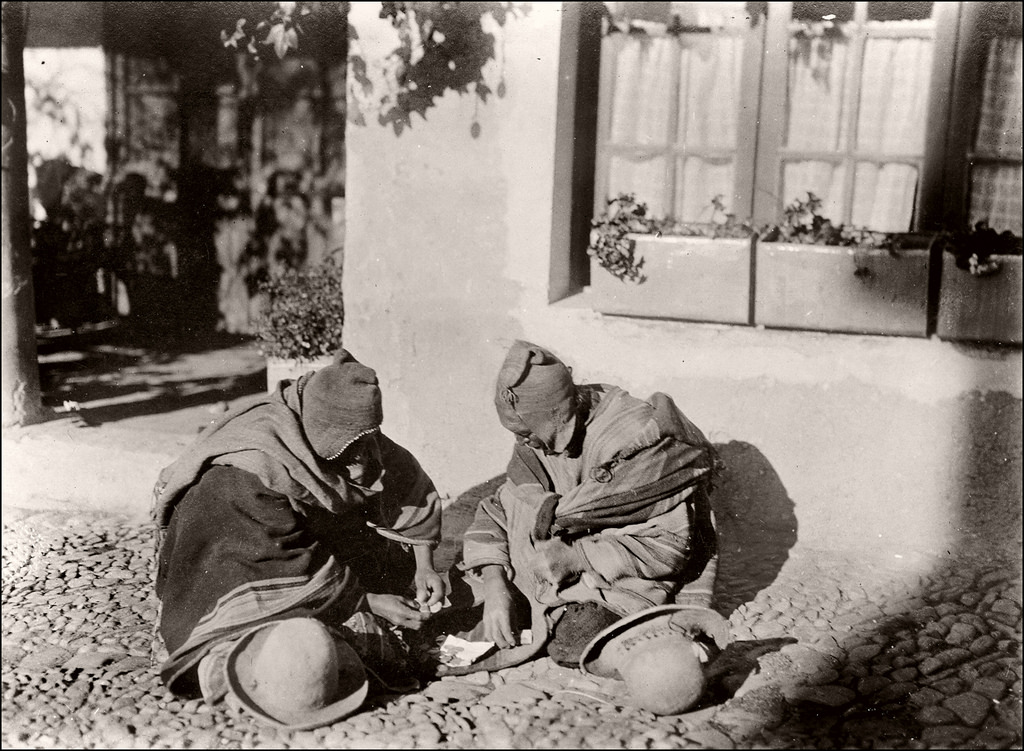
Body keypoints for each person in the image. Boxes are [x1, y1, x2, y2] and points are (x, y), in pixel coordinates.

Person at [151, 349, 444, 729]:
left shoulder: (349, 430)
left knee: (390, 577)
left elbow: (404, 482)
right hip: (227, 550)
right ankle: (225, 660)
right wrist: (364, 600)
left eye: (364, 445)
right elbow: (277, 558)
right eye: (347, 455)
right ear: (319, 438)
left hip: (292, 533)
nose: (361, 459)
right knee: (279, 638)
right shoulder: (250, 467)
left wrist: (425, 565)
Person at [444, 340, 729, 713]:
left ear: (558, 416)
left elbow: (670, 545)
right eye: (516, 434)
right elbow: (501, 507)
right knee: (452, 604)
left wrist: (577, 556)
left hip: (625, 571)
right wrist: (496, 583)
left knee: (575, 638)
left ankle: (642, 636)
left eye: (525, 433)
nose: (521, 443)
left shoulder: (634, 445)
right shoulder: (537, 441)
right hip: (562, 563)